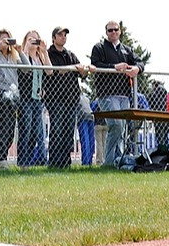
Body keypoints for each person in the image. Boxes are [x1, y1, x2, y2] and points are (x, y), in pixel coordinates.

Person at [90, 20, 141, 167]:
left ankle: (118, 160)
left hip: (124, 94)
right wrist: (114, 67)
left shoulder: (127, 49)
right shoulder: (99, 47)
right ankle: (109, 161)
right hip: (106, 94)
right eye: (110, 30)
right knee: (116, 125)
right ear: (106, 32)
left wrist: (136, 69)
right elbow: (96, 65)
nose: (113, 32)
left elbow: (139, 62)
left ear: (120, 31)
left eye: (115, 29)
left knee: (122, 128)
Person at [44, 26, 89, 169]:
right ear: (53, 38)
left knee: (69, 131)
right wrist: (74, 67)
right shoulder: (49, 54)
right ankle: (54, 162)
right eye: (60, 34)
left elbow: (83, 73)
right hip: (55, 99)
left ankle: (65, 163)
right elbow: (57, 71)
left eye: (65, 35)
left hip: (71, 99)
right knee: (56, 130)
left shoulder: (70, 55)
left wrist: (83, 70)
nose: (63, 37)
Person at [0, 30, 22, 169]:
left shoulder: (13, 56)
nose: (6, 42)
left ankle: (2, 158)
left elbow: (25, 69)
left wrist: (20, 51)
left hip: (12, 95)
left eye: (8, 40)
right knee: (2, 128)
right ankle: (0, 161)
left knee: (10, 130)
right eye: (3, 40)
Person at [18, 30, 51, 166]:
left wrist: (45, 51)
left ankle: (29, 161)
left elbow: (50, 71)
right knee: (25, 129)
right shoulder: (22, 55)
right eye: (30, 39)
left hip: (37, 99)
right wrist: (26, 48)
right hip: (25, 97)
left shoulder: (40, 58)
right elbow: (24, 69)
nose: (33, 42)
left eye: (36, 39)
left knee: (35, 132)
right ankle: (22, 162)